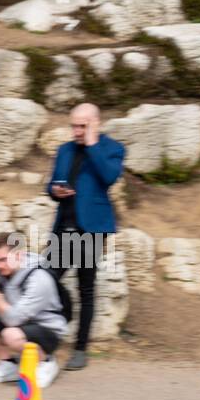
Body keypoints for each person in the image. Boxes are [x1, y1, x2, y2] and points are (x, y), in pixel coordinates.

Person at [45, 103, 125, 371]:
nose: (76, 131)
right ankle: (46, 341)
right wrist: (55, 190)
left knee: (86, 288)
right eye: (74, 125)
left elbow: (109, 177)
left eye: (82, 125)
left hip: (90, 229)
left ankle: (80, 350)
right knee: (45, 279)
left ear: (95, 123)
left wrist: (92, 144)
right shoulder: (64, 150)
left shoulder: (112, 148)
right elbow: (51, 183)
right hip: (63, 226)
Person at [0, 232, 67, 389]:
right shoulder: (2, 271)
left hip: (48, 330)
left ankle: (46, 362)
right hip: (19, 325)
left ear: (19, 255)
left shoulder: (39, 277)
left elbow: (13, 320)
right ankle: (9, 364)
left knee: (10, 334)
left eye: (2, 260)